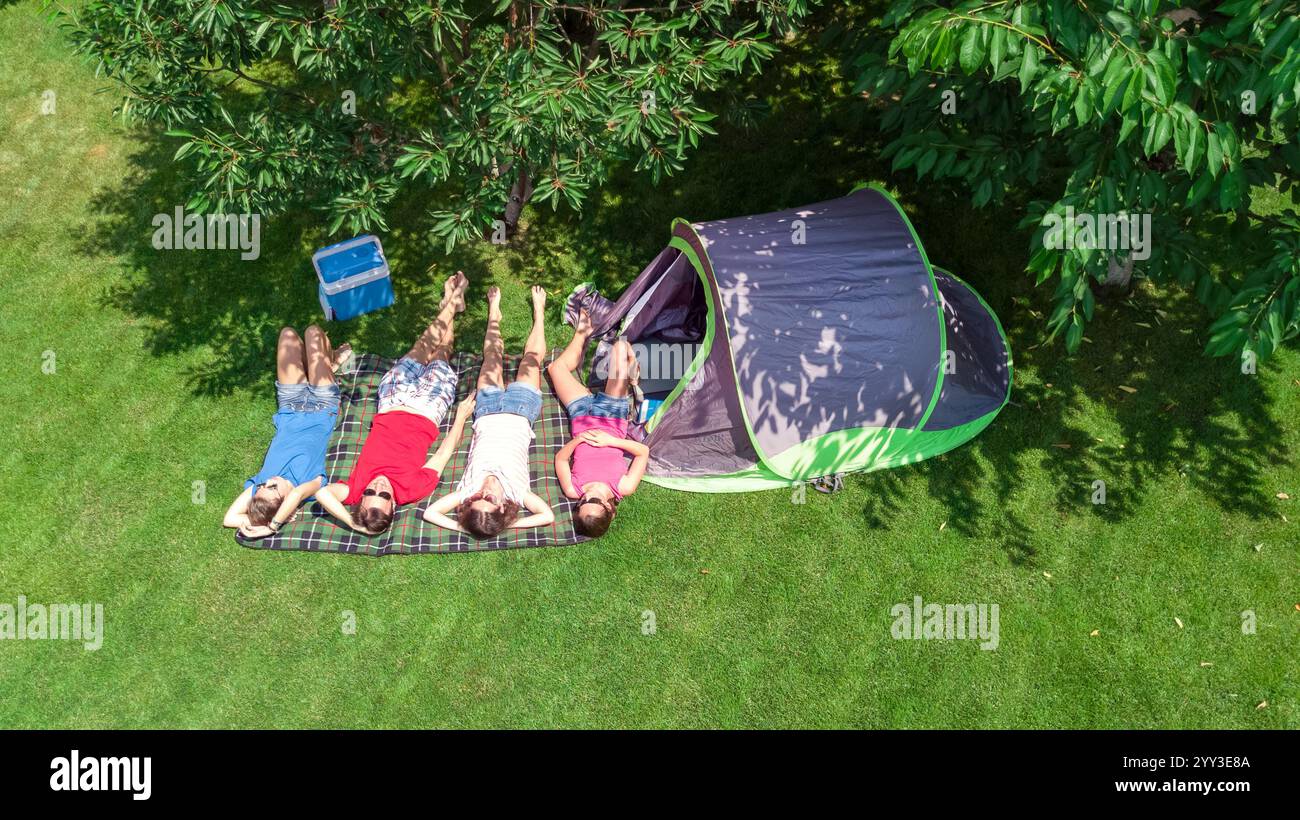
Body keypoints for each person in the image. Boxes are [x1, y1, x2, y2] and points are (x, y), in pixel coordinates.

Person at [315, 272, 472, 534]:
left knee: (423, 346)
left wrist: (353, 523)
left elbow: (323, 495)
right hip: (428, 408)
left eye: (371, 492)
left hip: (391, 402)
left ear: (360, 498)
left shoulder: (352, 491)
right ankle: (452, 303)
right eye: (385, 496)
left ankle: (453, 302)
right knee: (442, 352)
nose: (379, 486)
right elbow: (444, 453)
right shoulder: (412, 490)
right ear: (395, 506)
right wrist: (461, 416)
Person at [424, 285, 555, 538]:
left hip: (486, 410)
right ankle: (539, 312)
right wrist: (507, 525)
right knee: (530, 360)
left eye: (478, 499)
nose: (484, 493)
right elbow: (547, 516)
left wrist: (463, 524)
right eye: (490, 500)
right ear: (503, 506)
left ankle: (494, 312)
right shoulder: (516, 493)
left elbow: (431, 513)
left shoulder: (466, 491)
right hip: (521, 410)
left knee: (492, 356)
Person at [223, 325, 350, 539]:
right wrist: (273, 526)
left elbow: (229, 519)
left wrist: (257, 522)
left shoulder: (261, 483)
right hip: (323, 404)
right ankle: (332, 360)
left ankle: (327, 362)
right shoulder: (308, 485)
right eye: (273, 488)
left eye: (263, 485)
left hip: (291, 405)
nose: (269, 480)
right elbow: (297, 494)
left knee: (288, 335)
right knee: (313, 333)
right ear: (287, 504)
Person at [547, 309, 649, 538]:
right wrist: (611, 441)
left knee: (555, 369)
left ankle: (582, 333)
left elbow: (561, 459)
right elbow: (643, 452)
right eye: (594, 501)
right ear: (610, 509)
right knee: (620, 348)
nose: (587, 496)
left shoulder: (573, 489)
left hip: (580, 415)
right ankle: (633, 373)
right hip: (611, 416)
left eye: (582, 503)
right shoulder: (623, 487)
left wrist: (577, 440)